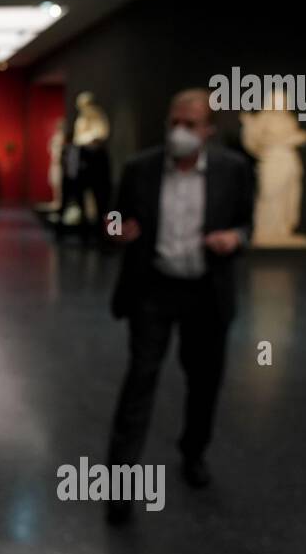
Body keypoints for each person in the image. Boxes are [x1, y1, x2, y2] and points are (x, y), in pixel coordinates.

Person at [105, 88, 255, 524]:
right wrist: (116, 231)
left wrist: (234, 239)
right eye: (174, 123)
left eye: (190, 125)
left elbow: (247, 224)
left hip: (207, 291)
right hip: (153, 288)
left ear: (208, 130)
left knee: (204, 380)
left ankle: (194, 452)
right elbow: (112, 218)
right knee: (140, 379)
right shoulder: (140, 169)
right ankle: (121, 483)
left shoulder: (233, 170)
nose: (179, 132)